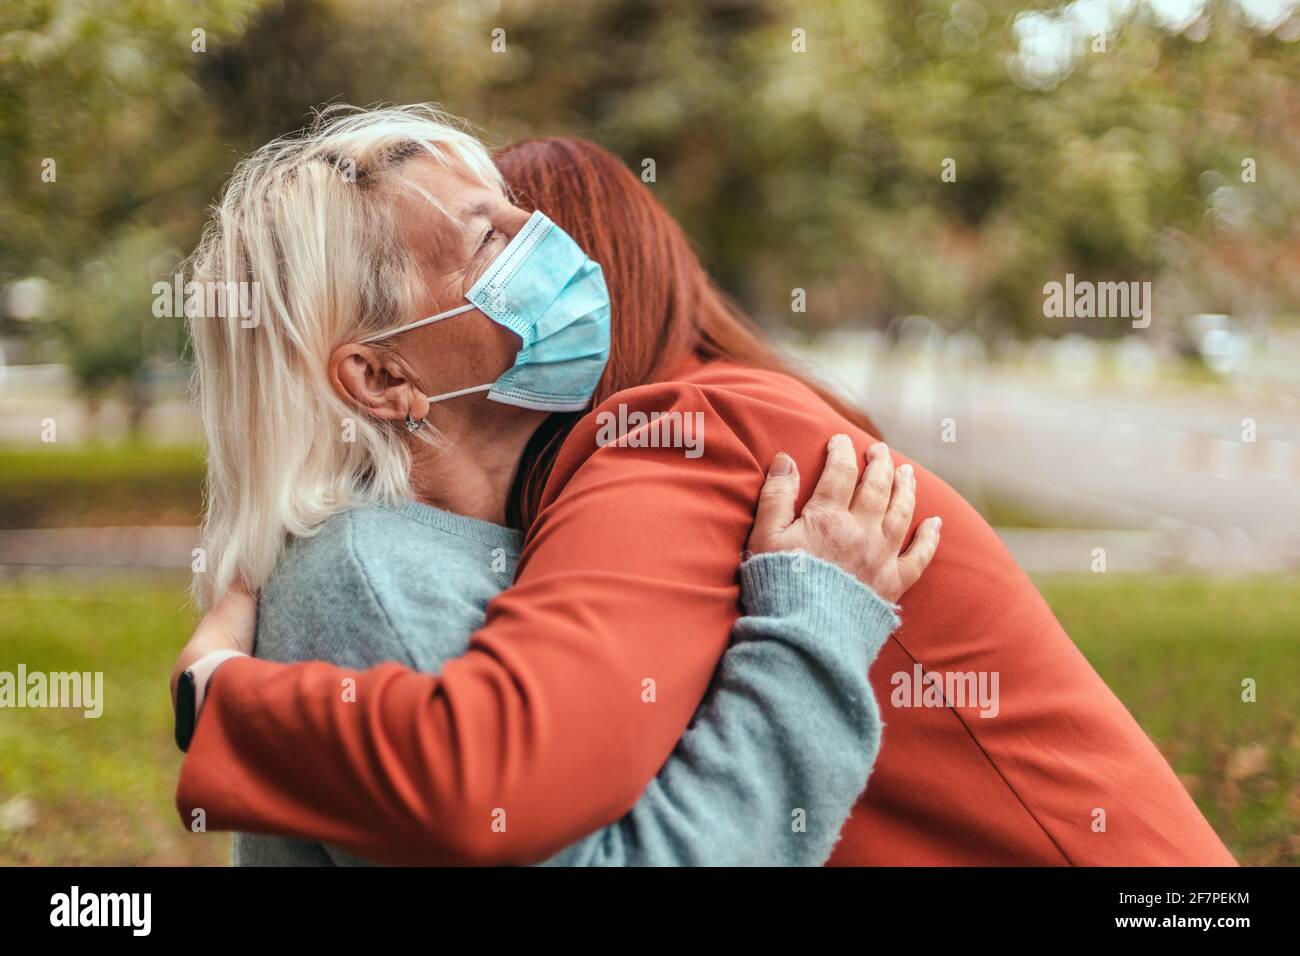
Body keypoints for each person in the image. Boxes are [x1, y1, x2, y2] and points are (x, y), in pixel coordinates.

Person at [174, 106, 1235, 866]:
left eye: (521, 215)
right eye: (487, 238)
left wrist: (218, 692)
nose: (549, 251)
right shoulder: (405, 555)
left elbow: (501, 770)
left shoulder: (677, 432)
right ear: (378, 372)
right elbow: (506, 774)